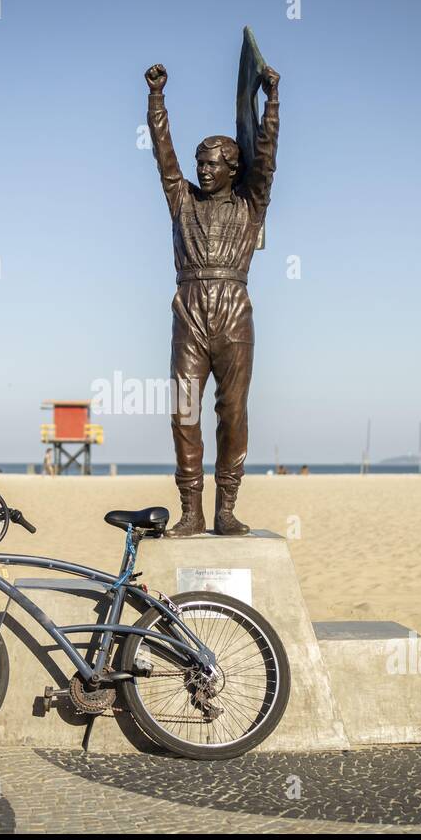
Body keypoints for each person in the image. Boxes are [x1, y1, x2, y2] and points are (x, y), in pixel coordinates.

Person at [145, 60, 280, 536]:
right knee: (184, 410)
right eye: (199, 162)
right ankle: (190, 510)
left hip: (233, 310)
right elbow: (163, 155)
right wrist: (157, 98)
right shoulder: (182, 200)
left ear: (231, 168)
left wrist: (272, 102)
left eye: (212, 163)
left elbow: (266, 157)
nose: (202, 170)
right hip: (189, 309)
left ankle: (225, 508)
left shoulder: (250, 203)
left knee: (233, 411)